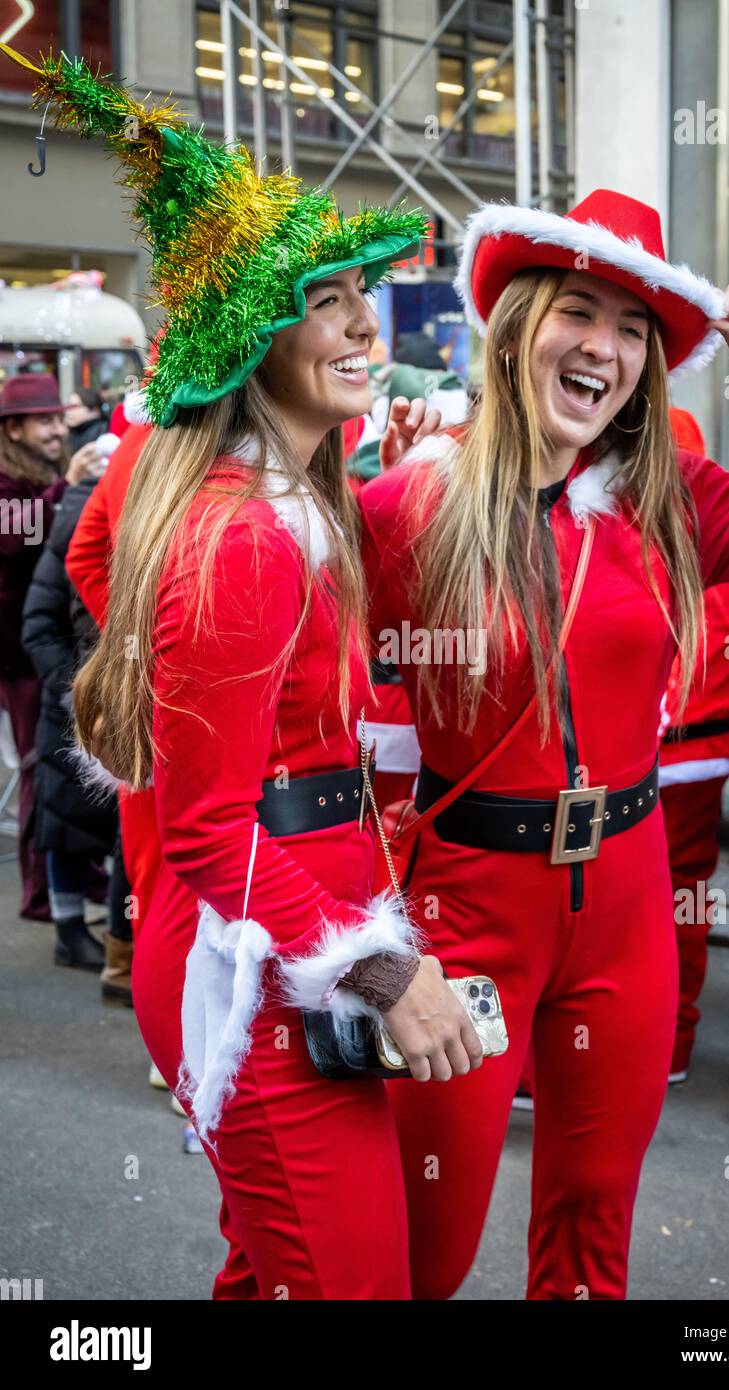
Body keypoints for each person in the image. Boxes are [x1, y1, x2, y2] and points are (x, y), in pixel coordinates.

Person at [2, 46, 477, 1300]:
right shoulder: (242, 534)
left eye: (358, 295)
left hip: (284, 942)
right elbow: (210, 831)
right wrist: (380, 966)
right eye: (328, 300)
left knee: (278, 1275)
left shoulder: (292, 510)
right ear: (254, 338)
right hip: (257, 972)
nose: (365, 323)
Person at [358, 188, 729, 1299]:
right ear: (514, 325)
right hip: (462, 909)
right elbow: (312, 725)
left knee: (593, 1230)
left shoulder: (671, 494)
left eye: (634, 328)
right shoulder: (405, 507)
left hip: (629, 902)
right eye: (579, 311)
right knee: (419, 1241)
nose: (606, 347)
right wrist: (362, 943)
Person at [0, 371, 101, 920]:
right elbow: (22, 536)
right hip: (19, 652)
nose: (56, 429)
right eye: (44, 421)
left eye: (59, 419)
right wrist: (70, 487)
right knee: (42, 766)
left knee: (68, 763)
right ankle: (40, 894)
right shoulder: (7, 481)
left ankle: (78, 876)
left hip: (42, 643)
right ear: (13, 429)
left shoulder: (37, 473)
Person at [21, 444, 118, 971]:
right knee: (64, 824)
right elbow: (38, 626)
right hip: (72, 702)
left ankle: (106, 929)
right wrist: (74, 687)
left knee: (103, 825)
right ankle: (67, 928)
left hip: (112, 702)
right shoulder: (70, 535)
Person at [660, 577, 729, 1083]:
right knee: (683, 901)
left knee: (598, 906)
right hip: (699, 749)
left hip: (662, 753)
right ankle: (673, 1041)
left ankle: (668, 1040)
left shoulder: (652, 534)